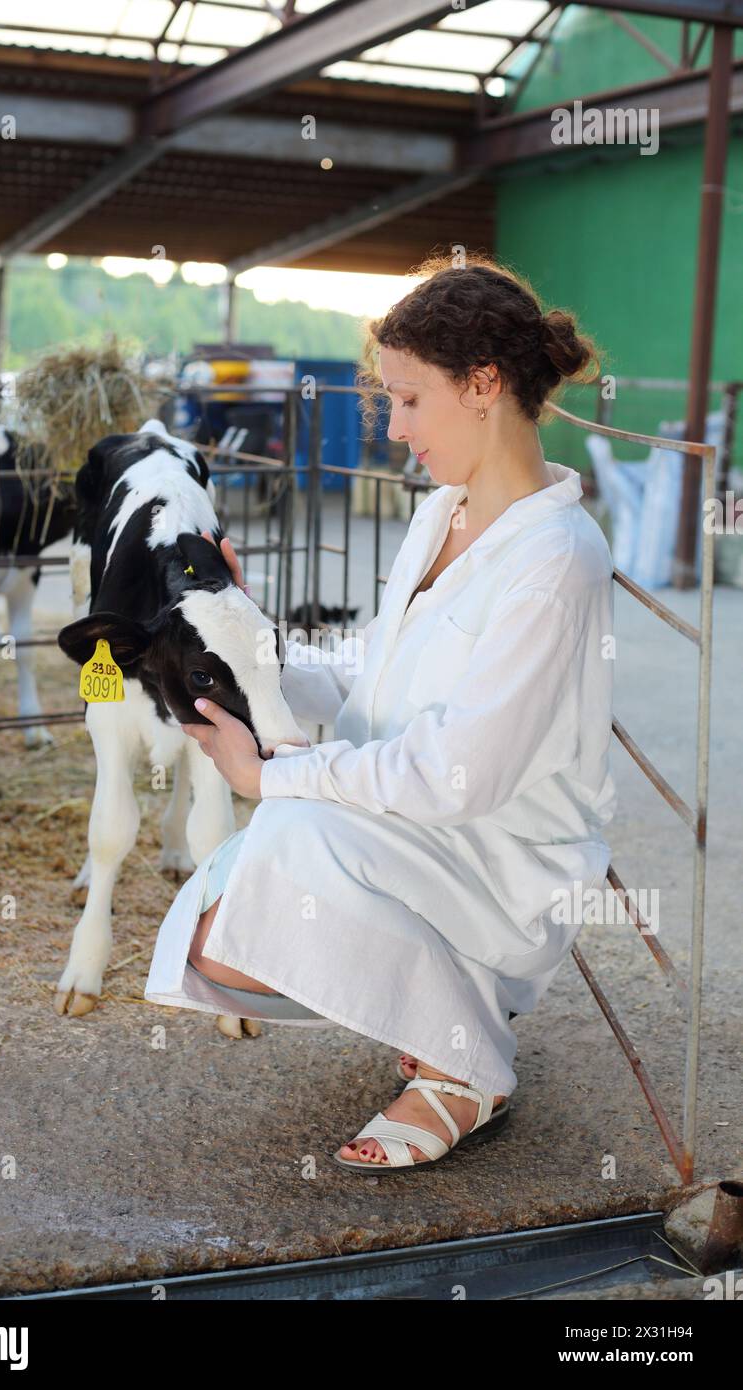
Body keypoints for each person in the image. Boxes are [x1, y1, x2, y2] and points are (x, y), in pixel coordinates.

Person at [144, 252, 617, 1174]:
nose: (396, 429)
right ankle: (438, 1001)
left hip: (498, 846)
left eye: (408, 399)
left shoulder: (556, 558)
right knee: (213, 940)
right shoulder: (443, 512)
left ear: (483, 385)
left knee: (257, 896)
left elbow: (461, 774)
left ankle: (467, 1059)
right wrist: (253, 658)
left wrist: (275, 774)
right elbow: (375, 668)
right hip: (416, 816)